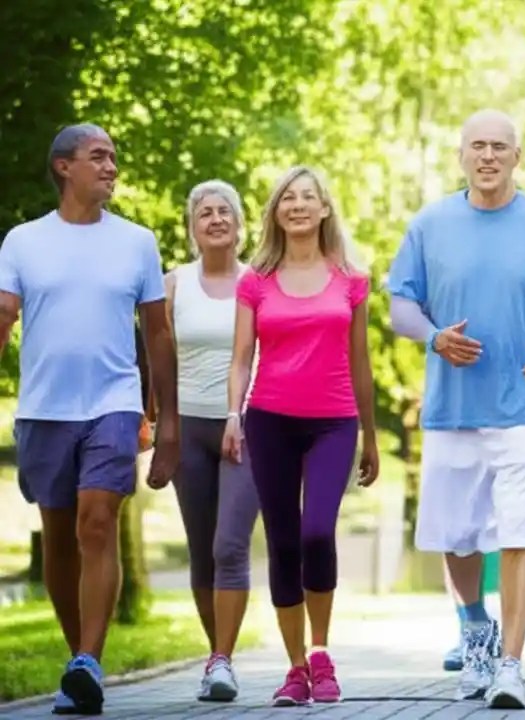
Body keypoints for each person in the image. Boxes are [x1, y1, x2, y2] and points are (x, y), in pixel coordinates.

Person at [387, 109, 525, 709]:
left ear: (516, 156)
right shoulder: (430, 224)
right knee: (457, 538)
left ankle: (510, 663)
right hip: (454, 409)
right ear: (461, 155)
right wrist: (432, 338)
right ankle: (476, 625)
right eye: (477, 146)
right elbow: (401, 307)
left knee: (519, 534)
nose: (487, 156)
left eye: (499, 147)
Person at [0, 123, 179, 716]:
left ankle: (88, 661)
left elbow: (157, 332)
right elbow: (3, 317)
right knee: (59, 537)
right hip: (43, 407)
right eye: (98, 157)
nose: (111, 167)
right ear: (63, 167)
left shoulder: (137, 243)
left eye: (114, 158)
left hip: (114, 402)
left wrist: (166, 418)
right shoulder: (22, 242)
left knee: (96, 521)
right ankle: (80, 659)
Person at [223, 165, 379, 707]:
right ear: (276, 212)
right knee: (284, 542)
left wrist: (373, 437)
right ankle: (294, 669)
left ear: (324, 209)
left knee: (317, 533)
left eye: (307, 197)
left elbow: (361, 364)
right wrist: (233, 414)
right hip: (269, 420)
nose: (296, 205)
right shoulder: (255, 280)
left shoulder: (350, 278)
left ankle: (321, 651)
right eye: (287, 198)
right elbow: (241, 357)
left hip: (334, 422)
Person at [165, 180, 260, 701]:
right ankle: (217, 658)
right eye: (205, 212)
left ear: (241, 224)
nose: (216, 219)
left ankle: (222, 660)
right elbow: (158, 360)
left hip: (244, 429)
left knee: (229, 544)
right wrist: (156, 422)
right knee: (202, 549)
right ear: (192, 227)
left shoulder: (259, 282)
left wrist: (243, 415)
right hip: (188, 430)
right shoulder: (173, 284)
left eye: (226, 211)